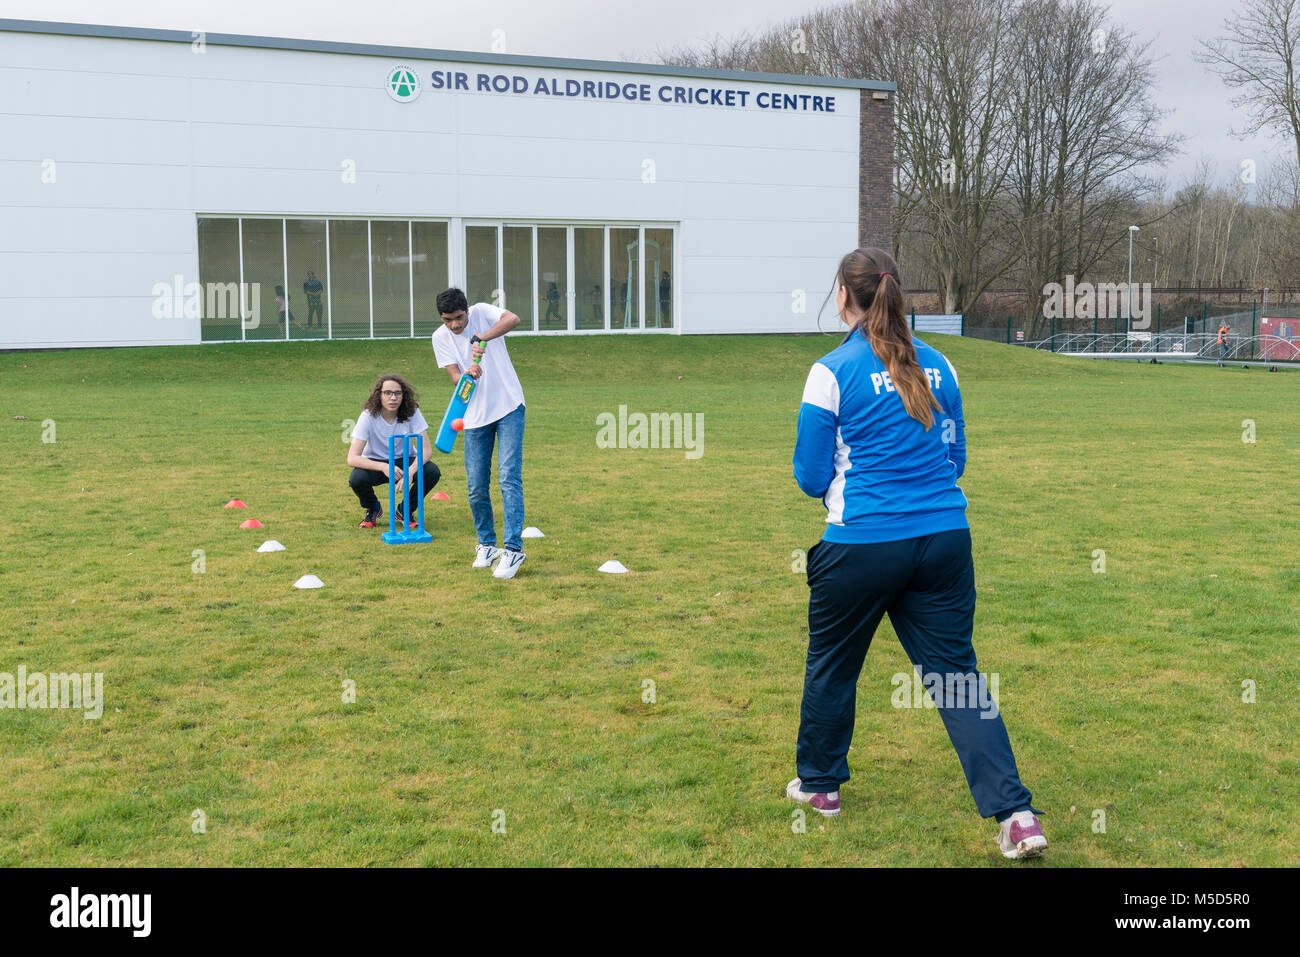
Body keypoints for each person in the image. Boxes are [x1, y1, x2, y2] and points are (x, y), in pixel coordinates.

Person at [787, 246, 1047, 860]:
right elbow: (955, 458)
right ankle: (1017, 817)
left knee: (831, 666)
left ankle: (821, 788)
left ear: (844, 297)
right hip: (944, 542)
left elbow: (808, 474)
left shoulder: (829, 371)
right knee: (958, 680)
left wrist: (854, 496)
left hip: (862, 545)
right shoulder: (942, 366)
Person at [432, 288, 528, 579]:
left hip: (509, 405)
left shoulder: (484, 312)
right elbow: (453, 376)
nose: (455, 325)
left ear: (467, 311)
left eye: (459, 318)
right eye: (448, 320)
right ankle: (487, 545)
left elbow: (514, 318)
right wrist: (467, 373)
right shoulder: (440, 338)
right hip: (473, 417)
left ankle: (513, 550)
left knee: (508, 477)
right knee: (476, 486)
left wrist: (482, 337)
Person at [346, 373, 441, 529]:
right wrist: (383, 467)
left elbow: (426, 450)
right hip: (376, 463)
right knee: (357, 478)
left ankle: (405, 511)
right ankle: (373, 508)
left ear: (403, 395)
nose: (393, 398)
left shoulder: (412, 412)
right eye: (388, 393)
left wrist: (410, 471)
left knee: (431, 471)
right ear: (379, 395)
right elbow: (352, 458)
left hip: (404, 461)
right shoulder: (368, 416)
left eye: (398, 393)